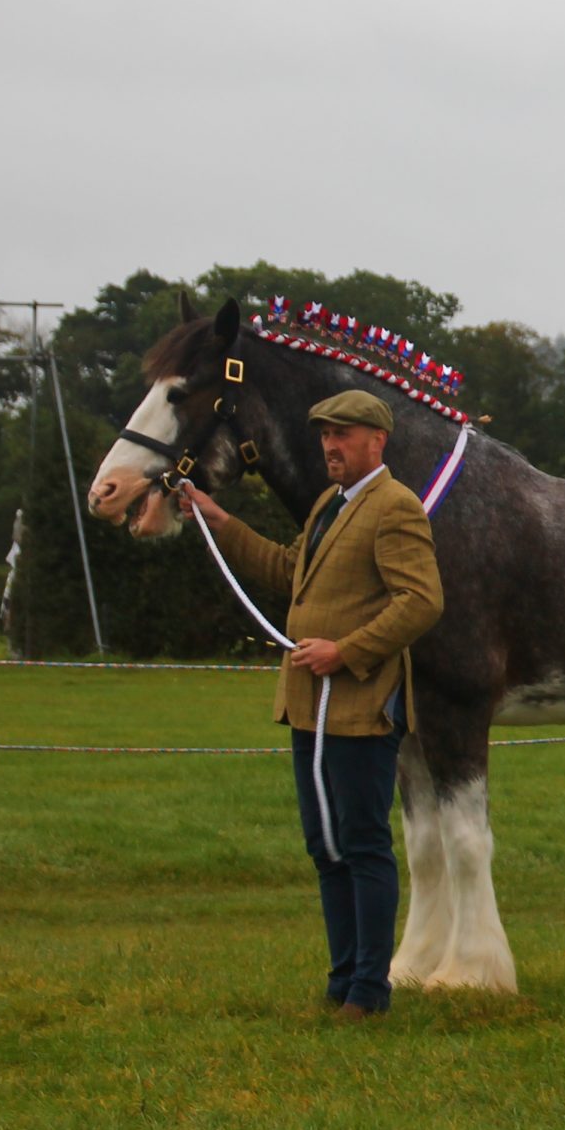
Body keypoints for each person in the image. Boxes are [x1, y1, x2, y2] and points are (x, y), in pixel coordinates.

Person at [179, 389, 444, 1019]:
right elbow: (286, 567)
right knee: (324, 845)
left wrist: (347, 651)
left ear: (377, 442)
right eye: (325, 435)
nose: (330, 446)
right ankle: (343, 979)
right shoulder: (330, 504)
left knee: (361, 842)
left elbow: (422, 600)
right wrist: (221, 521)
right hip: (308, 703)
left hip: (359, 703)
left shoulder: (395, 507)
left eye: (343, 436)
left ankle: (370, 992)